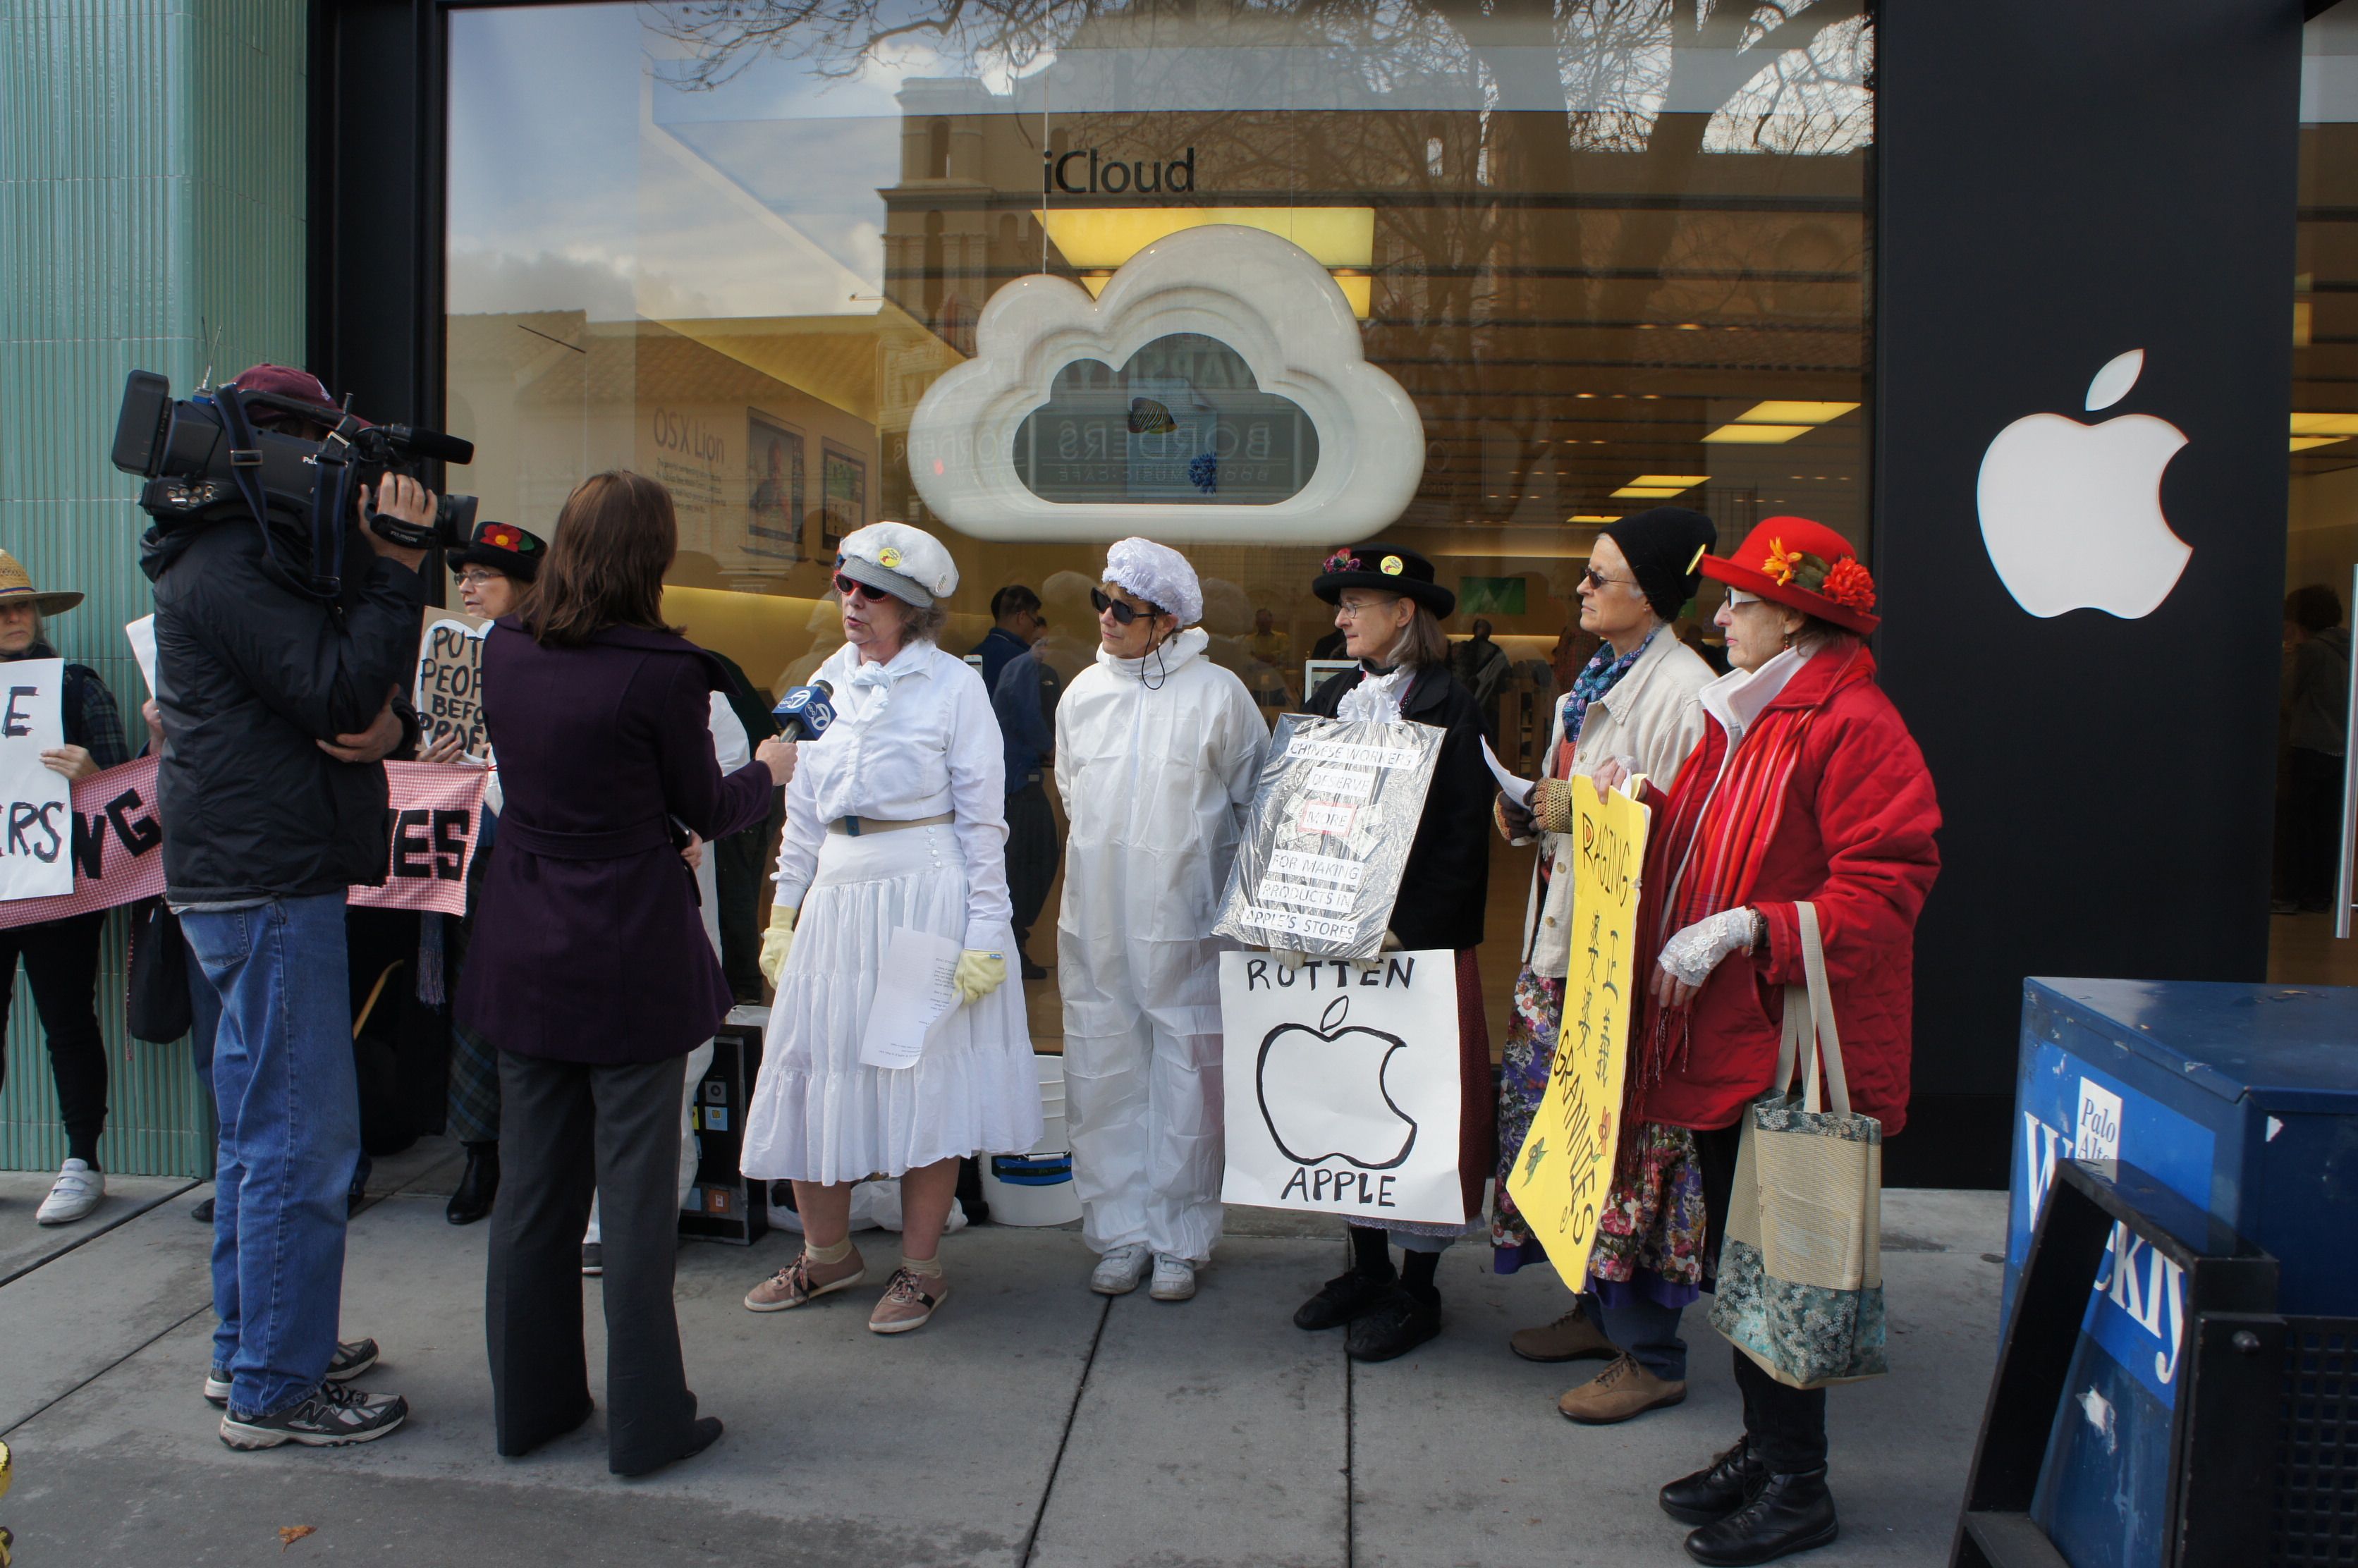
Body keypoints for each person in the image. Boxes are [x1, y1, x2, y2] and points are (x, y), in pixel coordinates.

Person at [1580, 517, 1937, 1564]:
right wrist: (1611, 809)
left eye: (1740, 600)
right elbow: (1689, 825)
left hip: (1790, 1047)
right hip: (1738, 1037)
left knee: (1786, 1263)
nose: (1722, 614)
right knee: (1750, 1262)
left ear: (1797, 616)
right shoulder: (1756, 713)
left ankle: (1799, 1484)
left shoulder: (1851, 722)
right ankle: (1766, 1448)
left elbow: (1892, 881)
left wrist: (1754, 926)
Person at [457, 471, 790, 1478]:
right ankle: (647, 1425)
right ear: (653, 558)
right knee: (636, 1209)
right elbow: (704, 805)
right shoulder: (664, 671)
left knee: (533, 1200)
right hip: (628, 952)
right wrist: (767, 773)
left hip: (524, 942)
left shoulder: (505, 650)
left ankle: (531, 1408)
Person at [146, 362, 426, 1450]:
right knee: (302, 1146)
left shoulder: (227, 558)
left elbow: (354, 700)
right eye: (322, 448)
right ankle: (273, 1382)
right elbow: (342, 689)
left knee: (265, 1135)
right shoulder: (226, 568)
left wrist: (392, 716)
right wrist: (397, 567)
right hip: (266, 886)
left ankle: (252, 1349)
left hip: (254, 874)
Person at [738, 522, 1040, 1335]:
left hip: (924, 892)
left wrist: (987, 931)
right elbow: (798, 817)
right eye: (845, 585)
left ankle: (920, 1269)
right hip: (838, 895)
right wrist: (782, 914)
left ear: (912, 609)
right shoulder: (818, 684)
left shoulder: (954, 688)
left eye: (872, 592)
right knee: (810, 1067)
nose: (852, 602)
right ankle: (827, 1253)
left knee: (919, 1075)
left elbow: (983, 824)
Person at [1490, 510, 1718, 1362]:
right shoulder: (1591, 681)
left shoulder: (1685, 694)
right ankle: (1591, 1309)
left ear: (1650, 594)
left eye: (1599, 577)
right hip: (1562, 951)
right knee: (1560, 1135)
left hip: (1619, 968)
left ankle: (1646, 1350)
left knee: (1628, 1151)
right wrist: (1529, 818)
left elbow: (1687, 835)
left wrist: (1574, 811)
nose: (1581, 589)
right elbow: (1573, 802)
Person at [1288, 544, 1495, 1362]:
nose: (1339, 619)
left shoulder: (1452, 704)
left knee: (1414, 1106)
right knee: (1346, 1103)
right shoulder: (1336, 695)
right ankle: (1366, 1266)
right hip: (1340, 938)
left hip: (1415, 944)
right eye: (1338, 605)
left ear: (1403, 612)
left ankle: (1417, 1287)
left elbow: (1459, 839)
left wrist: (1407, 926)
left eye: (1355, 605)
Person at [1058, 539, 1268, 1303]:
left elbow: (1256, 805)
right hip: (1098, 913)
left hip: (1188, 913)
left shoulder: (1219, 696)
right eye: (1101, 601)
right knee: (1102, 1060)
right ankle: (1118, 1232)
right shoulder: (1081, 693)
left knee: (1187, 1067)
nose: (1106, 619)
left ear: (1169, 622)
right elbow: (1072, 794)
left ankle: (1180, 1237)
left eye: (1124, 608)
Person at [0, 552, 130, 1225]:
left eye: (22, 604)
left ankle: (83, 1160)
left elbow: (127, 796)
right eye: (1, 608)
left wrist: (91, 772)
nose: (16, 616)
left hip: (59, 886)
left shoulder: (75, 687)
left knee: (67, 1022)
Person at [429, 520, 546, 1227]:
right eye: (463, 577)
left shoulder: (551, 655)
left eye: (485, 577)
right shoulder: (445, 654)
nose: (469, 588)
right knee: (474, 1000)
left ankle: (533, 1152)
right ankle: (480, 1150)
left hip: (536, 853)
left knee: (533, 1005)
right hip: (470, 853)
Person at [994, 624, 1064, 982]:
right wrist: (1052, 748)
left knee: (1030, 863)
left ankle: (1015, 944)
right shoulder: (1024, 667)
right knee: (1032, 864)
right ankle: (1014, 946)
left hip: (1018, 781)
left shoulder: (1024, 668)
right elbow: (1027, 717)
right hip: (1019, 783)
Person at [2282, 584, 2350, 914]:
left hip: (2310, 746)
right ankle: (2320, 895)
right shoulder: (2347, 648)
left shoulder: (2313, 651)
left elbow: (2287, 691)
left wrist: (2290, 653)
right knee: (2327, 828)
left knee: (2299, 825)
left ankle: (2290, 893)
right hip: (2341, 751)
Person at [970, 584, 1044, 694]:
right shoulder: (1023, 661)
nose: (1033, 630)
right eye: (1034, 624)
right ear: (1022, 617)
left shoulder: (973, 656)